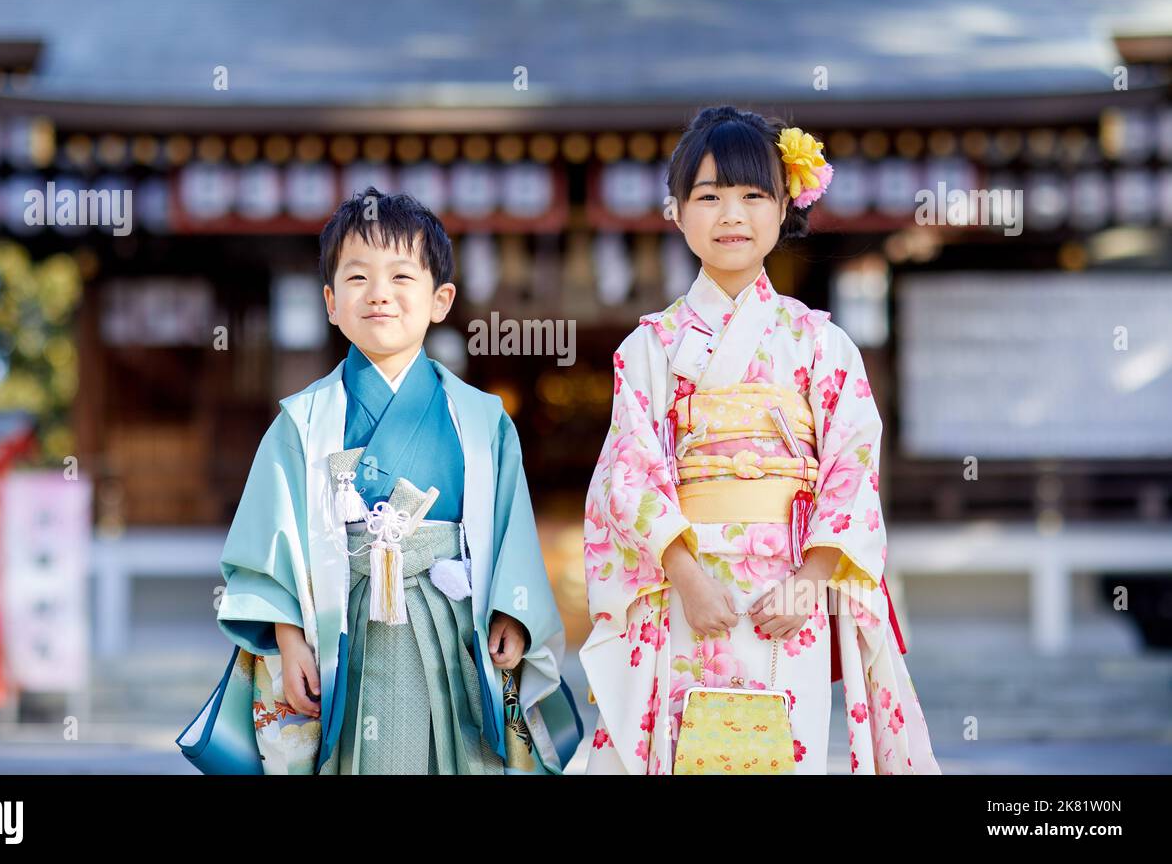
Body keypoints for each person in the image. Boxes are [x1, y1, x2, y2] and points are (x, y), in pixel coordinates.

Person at [580, 106, 940, 775]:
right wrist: (688, 578)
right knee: (685, 751)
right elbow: (628, 474)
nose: (731, 215)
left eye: (753, 195)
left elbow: (851, 467)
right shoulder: (650, 348)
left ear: (783, 210)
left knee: (781, 752)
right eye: (708, 196)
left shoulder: (821, 345)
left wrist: (811, 579)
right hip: (684, 588)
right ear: (678, 212)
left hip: (789, 590)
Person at [216, 187, 581, 774]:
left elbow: (511, 531)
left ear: (441, 300)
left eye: (401, 277)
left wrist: (513, 612)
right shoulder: (303, 422)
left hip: (452, 625)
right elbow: (270, 543)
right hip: (346, 627)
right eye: (358, 279)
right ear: (331, 303)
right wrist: (288, 637)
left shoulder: (483, 418)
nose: (380, 294)